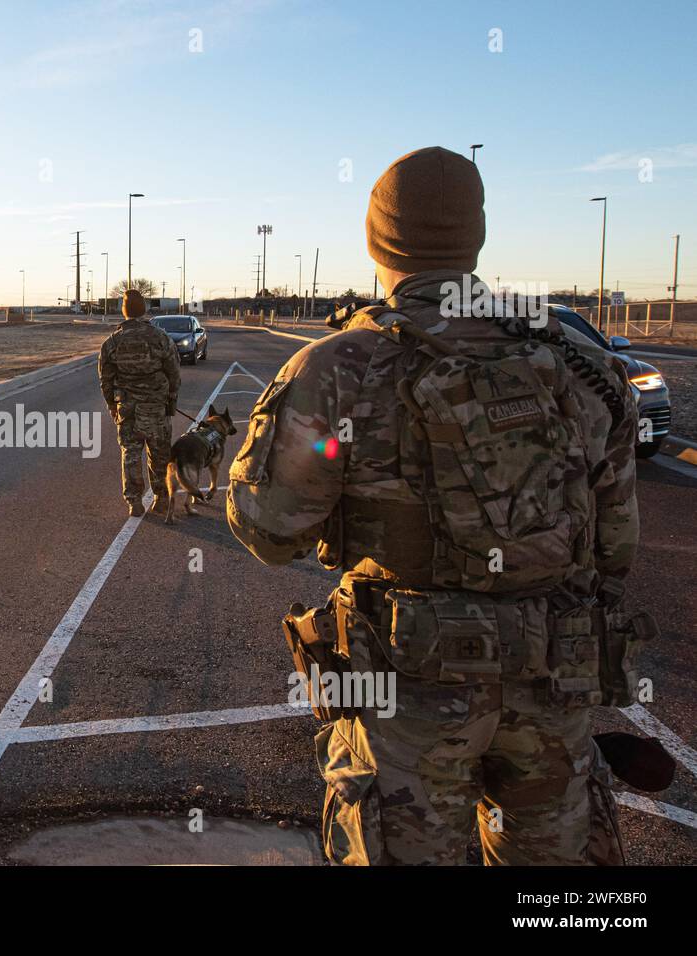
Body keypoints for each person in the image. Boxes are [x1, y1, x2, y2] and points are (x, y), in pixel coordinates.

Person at [227, 146, 650, 865]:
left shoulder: (340, 368)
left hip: (410, 691)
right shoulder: (574, 361)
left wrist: (339, 461)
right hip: (556, 679)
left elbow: (269, 530)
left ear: (375, 239)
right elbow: (617, 547)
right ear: (476, 237)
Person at [98, 289, 181, 517]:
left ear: (123, 311)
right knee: (159, 454)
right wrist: (171, 401)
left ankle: (134, 501)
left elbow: (105, 380)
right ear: (144, 309)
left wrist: (112, 406)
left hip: (128, 410)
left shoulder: (112, 343)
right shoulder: (160, 338)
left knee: (131, 454)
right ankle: (161, 497)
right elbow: (174, 373)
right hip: (156, 408)